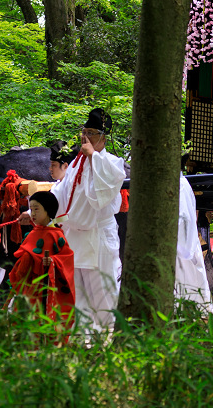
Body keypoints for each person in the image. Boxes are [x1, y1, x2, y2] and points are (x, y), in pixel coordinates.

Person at [41, 108, 126, 334]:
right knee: (76, 292)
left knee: (102, 292)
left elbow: (103, 195)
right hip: (74, 236)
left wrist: (93, 157)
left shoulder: (111, 163)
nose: (85, 137)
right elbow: (61, 194)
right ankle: (82, 337)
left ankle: (107, 335)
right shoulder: (75, 164)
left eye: (91, 133)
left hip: (98, 235)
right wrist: (40, 211)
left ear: (103, 138)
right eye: (84, 132)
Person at [10, 191, 75, 333]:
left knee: (43, 318)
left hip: (46, 288)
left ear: (48, 210)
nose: (32, 213)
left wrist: (52, 261)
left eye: (36, 209)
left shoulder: (56, 234)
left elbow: (67, 257)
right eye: (31, 209)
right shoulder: (33, 233)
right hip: (29, 287)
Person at [175, 173, 212, 312]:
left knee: (188, 276)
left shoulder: (180, 184)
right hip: (182, 237)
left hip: (182, 239)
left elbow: (183, 218)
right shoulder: (181, 183)